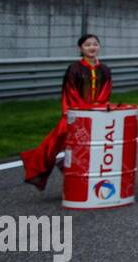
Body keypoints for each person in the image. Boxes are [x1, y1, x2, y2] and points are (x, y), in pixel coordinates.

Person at [20, 33, 112, 190]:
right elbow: (70, 93)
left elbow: (105, 90)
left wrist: (98, 107)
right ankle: (38, 171)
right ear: (81, 48)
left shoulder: (104, 69)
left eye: (95, 44)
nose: (92, 47)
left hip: (97, 113)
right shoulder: (74, 69)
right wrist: (80, 111)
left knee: (92, 144)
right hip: (75, 113)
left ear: (99, 47)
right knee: (54, 142)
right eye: (87, 45)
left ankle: (70, 167)